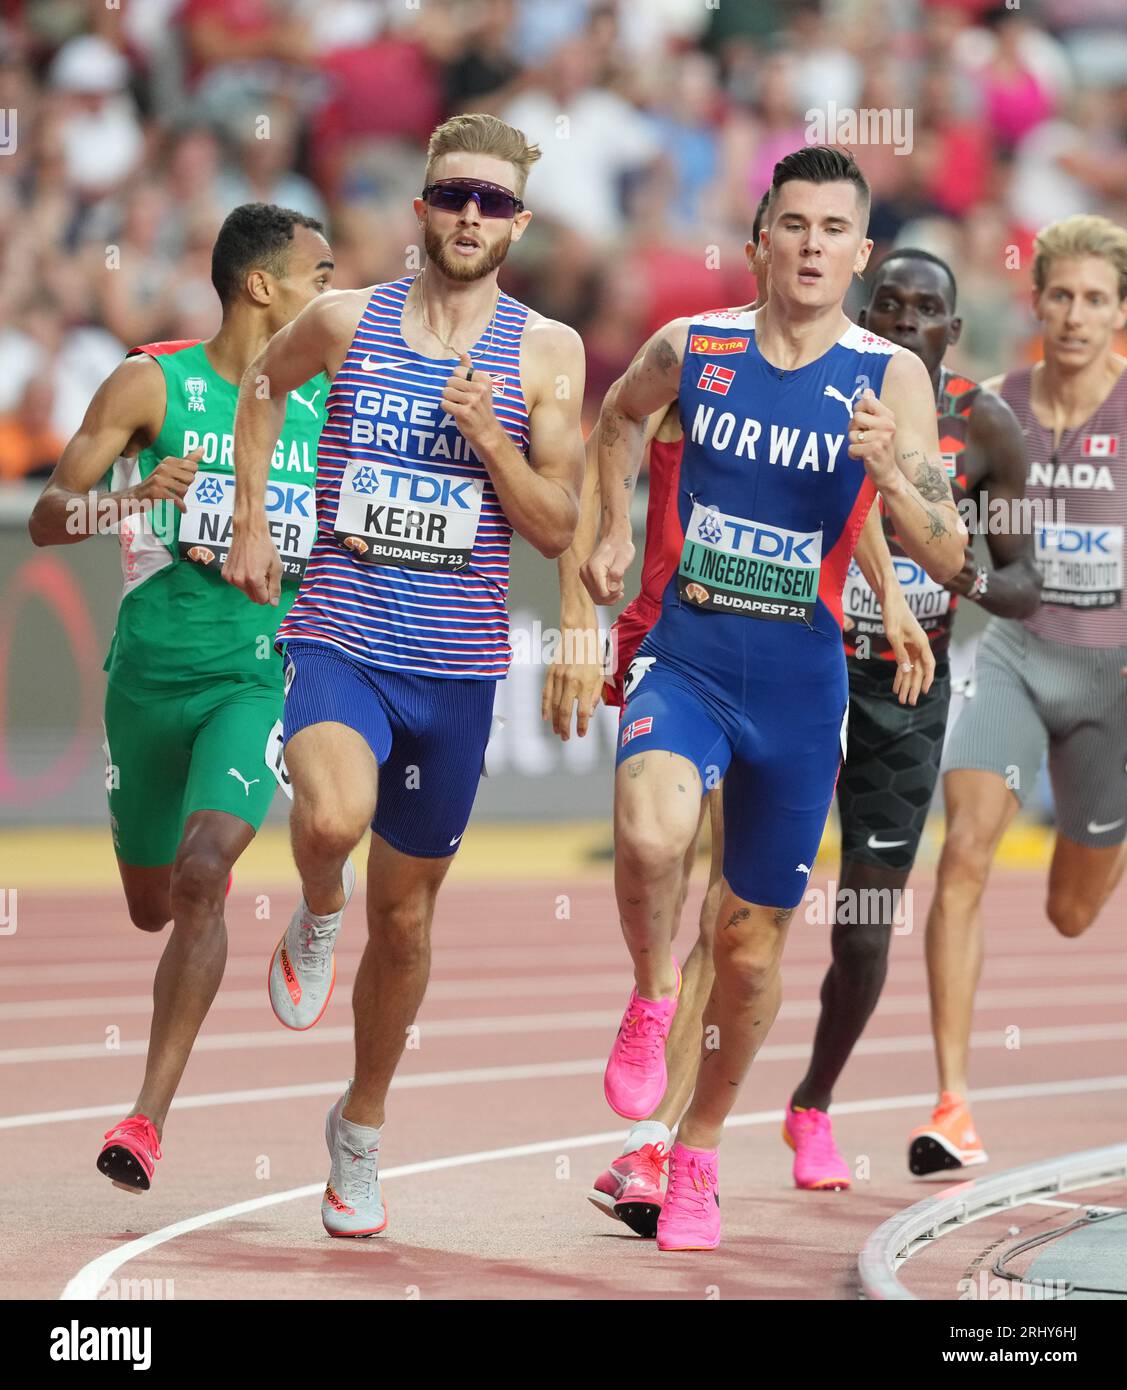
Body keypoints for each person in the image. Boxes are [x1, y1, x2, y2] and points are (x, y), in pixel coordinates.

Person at [581, 146, 966, 1251]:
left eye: (830, 228)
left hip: (799, 690)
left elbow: (945, 557)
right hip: (690, 655)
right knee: (650, 839)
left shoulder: (889, 375)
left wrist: (891, 473)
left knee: (750, 948)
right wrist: (612, 528)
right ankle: (652, 990)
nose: (808, 245)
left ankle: (695, 1151)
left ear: (858, 250)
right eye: (789, 225)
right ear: (759, 241)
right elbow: (614, 420)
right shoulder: (692, 346)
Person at [223, 113, 585, 1238]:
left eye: (493, 203)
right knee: (330, 819)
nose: (470, 216)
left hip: (458, 669)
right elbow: (257, 388)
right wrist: (251, 517)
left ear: (515, 226)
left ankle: (360, 1127)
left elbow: (557, 522)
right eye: (453, 196)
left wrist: (491, 440)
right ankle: (314, 909)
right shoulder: (342, 318)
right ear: (421, 206)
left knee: (413, 924)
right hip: (341, 630)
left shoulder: (545, 352)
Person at [27, 204, 335, 1192]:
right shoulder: (151, 380)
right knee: (152, 903)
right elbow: (45, 515)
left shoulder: (326, 393)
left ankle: (146, 1120)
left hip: (252, 674)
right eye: (318, 277)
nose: (331, 295)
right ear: (262, 286)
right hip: (145, 682)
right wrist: (133, 496)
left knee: (207, 872)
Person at [783, 247, 1040, 1190]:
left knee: (861, 926)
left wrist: (961, 579)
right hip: (796, 667)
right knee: (753, 904)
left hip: (903, 689)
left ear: (950, 331)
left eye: (921, 309)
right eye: (883, 303)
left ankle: (811, 1103)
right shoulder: (809, 383)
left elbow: (1023, 578)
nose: (899, 321)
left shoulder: (982, 423)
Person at [912, 213, 1127, 1175]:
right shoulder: (992, 408)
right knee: (961, 853)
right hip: (1014, 657)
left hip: (1113, 680)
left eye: (1094, 299)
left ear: (1119, 312)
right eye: (1060, 296)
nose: (1074, 315)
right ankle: (952, 1102)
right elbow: (936, 527)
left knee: (1071, 915)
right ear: (1033, 301)